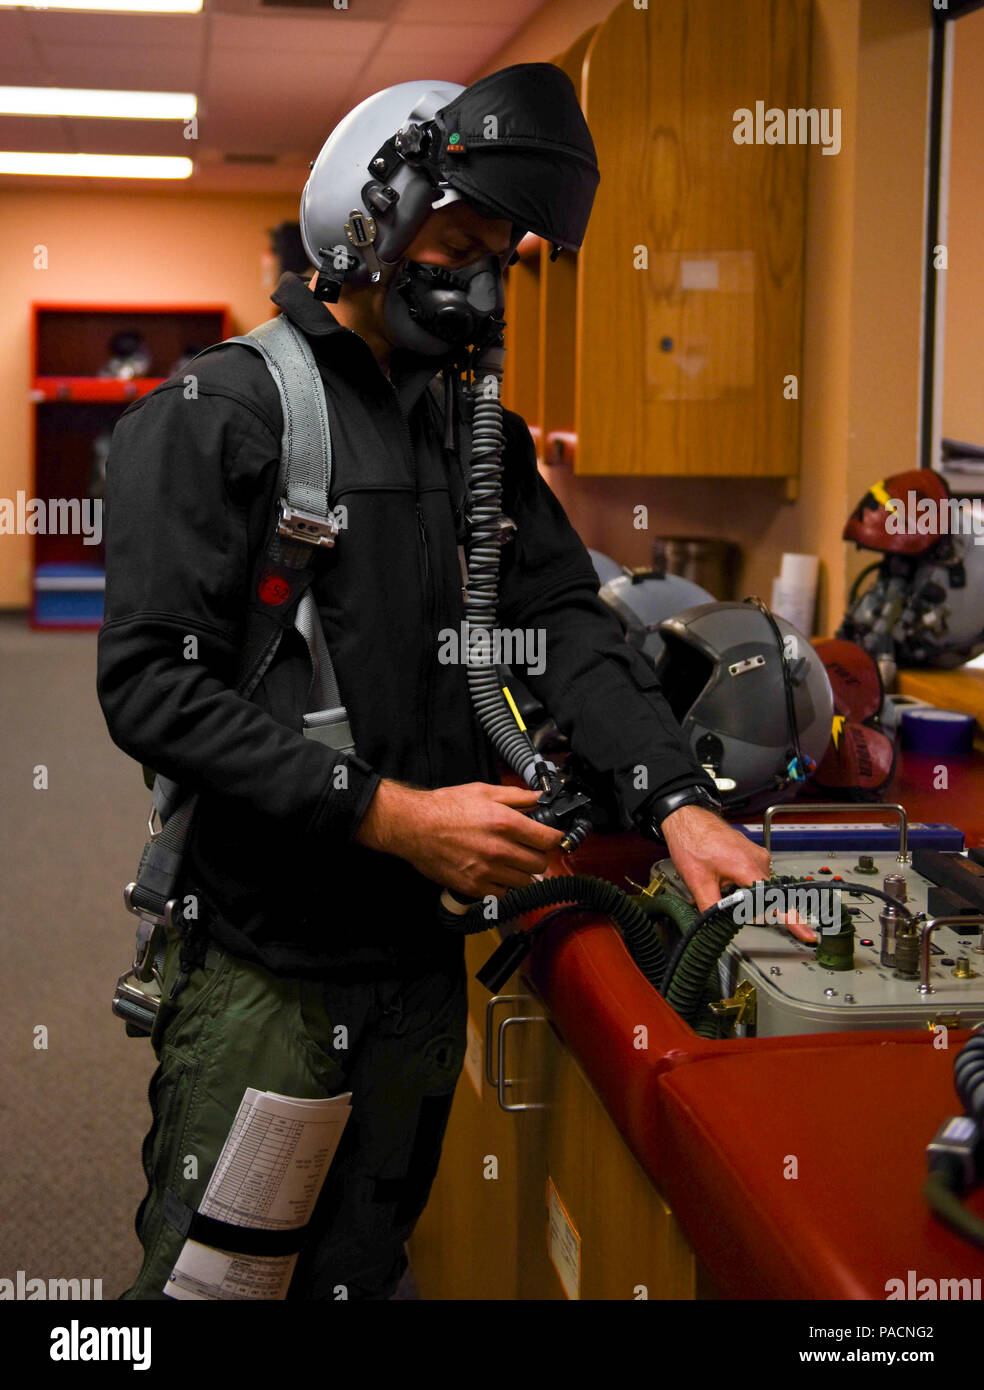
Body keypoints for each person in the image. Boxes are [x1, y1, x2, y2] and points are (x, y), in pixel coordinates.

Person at [97, 63, 769, 1302]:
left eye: (500, 255)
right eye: (453, 244)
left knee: (362, 1271)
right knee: (221, 1290)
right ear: (370, 221)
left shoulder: (478, 439)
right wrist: (396, 816)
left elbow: (562, 617)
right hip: (268, 968)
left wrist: (674, 793)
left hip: (415, 966)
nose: (477, 281)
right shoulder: (214, 417)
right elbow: (150, 689)